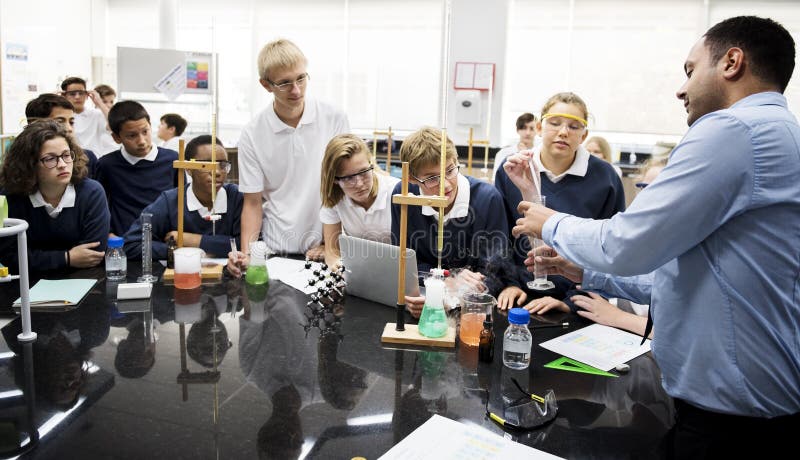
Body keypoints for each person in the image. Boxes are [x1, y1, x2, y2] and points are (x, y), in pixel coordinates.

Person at [512, 16, 800, 455]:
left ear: (732, 62)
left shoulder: (734, 130)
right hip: (746, 405)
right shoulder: (778, 135)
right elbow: (690, 275)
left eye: (690, 70)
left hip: (733, 419)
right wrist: (586, 271)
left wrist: (548, 221)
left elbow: (626, 243)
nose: (681, 90)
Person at [228, 39, 349, 277]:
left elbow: (343, 187)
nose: (296, 90)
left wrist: (331, 246)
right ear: (266, 85)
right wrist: (249, 255)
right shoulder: (253, 134)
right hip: (276, 252)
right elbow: (252, 203)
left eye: (301, 78)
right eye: (284, 83)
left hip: (324, 251)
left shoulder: (334, 118)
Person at [495, 92, 625, 313]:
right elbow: (499, 235)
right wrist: (509, 284)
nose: (563, 132)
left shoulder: (606, 178)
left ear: (584, 136)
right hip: (517, 297)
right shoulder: (514, 171)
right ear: (538, 127)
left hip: (576, 302)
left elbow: (610, 248)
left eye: (574, 127)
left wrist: (571, 301)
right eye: (555, 123)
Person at [390, 127, 510, 317]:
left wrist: (447, 297)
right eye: (431, 178)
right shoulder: (405, 195)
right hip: (421, 297)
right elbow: (403, 262)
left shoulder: (487, 199)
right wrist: (444, 282)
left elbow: (495, 273)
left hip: (468, 309)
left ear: (455, 161)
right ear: (412, 179)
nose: (445, 184)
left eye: (450, 170)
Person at [0, 120, 109, 271]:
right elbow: (10, 257)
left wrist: (38, 259)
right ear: (29, 164)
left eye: (66, 155)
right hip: (26, 284)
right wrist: (66, 257)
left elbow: (93, 255)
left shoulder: (91, 192)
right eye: (50, 159)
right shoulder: (11, 196)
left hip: (84, 280)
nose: (63, 164)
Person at [123, 135, 243, 260]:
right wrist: (181, 252)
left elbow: (244, 244)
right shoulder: (170, 201)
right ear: (188, 169)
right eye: (206, 165)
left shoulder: (236, 197)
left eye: (222, 165)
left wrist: (189, 239)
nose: (217, 172)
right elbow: (131, 245)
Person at [95, 100, 179, 236]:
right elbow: (98, 207)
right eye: (132, 136)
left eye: (145, 132)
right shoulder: (106, 165)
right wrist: (109, 233)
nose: (141, 141)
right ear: (117, 137)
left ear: (151, 126)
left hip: (163, 240)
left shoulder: (172, 160)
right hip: (123, 242)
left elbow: (181, 202)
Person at [318, 134, 399, 267]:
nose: (359, 184)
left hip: (397, 270)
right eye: (348, 178)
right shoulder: (335, 199)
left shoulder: (396, 192)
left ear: (371, 164)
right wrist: (336, 266)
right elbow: (332, 252)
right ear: (334, 180)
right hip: (361, 270)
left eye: (364, 172)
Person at [25, 93, 98, 177]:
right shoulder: (22, 160)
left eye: (71, 122)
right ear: (35, 124)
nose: (69, 128)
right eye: (59, 122)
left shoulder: (87, 158)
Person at [60, 77, 117, 156]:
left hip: (94, 161)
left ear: (87, 95)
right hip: (70, 159)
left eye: (81, 93)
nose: (77, 97)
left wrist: (100, 102)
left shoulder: (97, 114)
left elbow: (114, 127)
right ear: (64, 96)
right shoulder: (60, 116)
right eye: (72, 94)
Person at [492, 112, 537, 177]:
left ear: (537, 130)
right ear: (517, 130)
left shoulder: (540, 154)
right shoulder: (503, 153)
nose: (528, 133)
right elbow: (496, 180)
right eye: (524, 128)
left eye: (532, 128)